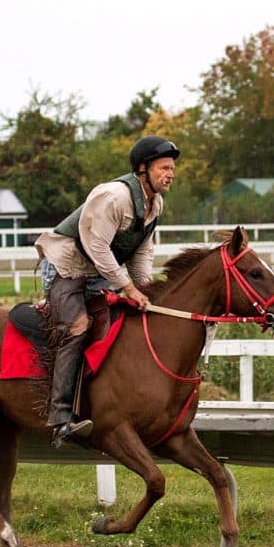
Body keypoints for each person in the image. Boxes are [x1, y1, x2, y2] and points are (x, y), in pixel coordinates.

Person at [34, 135, 179, 447]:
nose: (171, 173)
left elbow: (141, 252)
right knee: (78, 326)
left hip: (99, 273)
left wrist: (146, 292)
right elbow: (97, 247)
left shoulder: (155, 203)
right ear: (143, 169)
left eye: (172, 168)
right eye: (165, 167)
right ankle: (60, 417)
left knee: (125, 324)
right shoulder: (113, 196)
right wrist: (126, 286)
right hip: (66, 267)